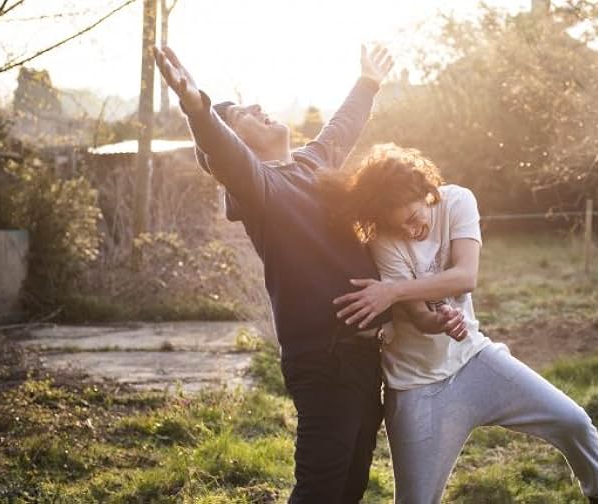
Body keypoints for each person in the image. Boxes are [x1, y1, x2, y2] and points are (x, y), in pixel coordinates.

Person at [154, 45, 425, 503]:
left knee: (350, 487)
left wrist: (368, 82)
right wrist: (197, 106)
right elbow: (224, 156)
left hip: (364, 359)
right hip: (326, 360)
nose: (257, 109)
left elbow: (341, 129)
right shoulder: (260, 190)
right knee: (320, 491)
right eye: (241, 115)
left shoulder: (312, 164)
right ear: (234, 141)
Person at [330, 143, 598, 504]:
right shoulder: (383, 242)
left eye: (412, 216)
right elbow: (420, 317)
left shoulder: (458, 202)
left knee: (572, 421)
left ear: (425, 191)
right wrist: (441, 319)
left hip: (474, 360)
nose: (409, 230)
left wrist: (392, 291)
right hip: (416, 387)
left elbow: (465, 276)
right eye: (396, 224)